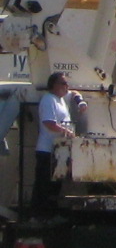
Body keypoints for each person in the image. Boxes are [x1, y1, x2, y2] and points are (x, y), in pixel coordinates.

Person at [32, 72, 81, 215]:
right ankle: (38, 216)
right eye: (63, 83)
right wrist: (68, 132)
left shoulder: (61, 99)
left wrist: (80, 101)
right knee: (44, 185)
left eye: (67, 84)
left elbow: (74, 93)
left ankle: (51, 214)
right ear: (54, 85)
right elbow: (49, 123)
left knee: (55, 185)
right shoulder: (49, 100)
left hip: (59, 150)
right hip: (47, 150)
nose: (67, 87)